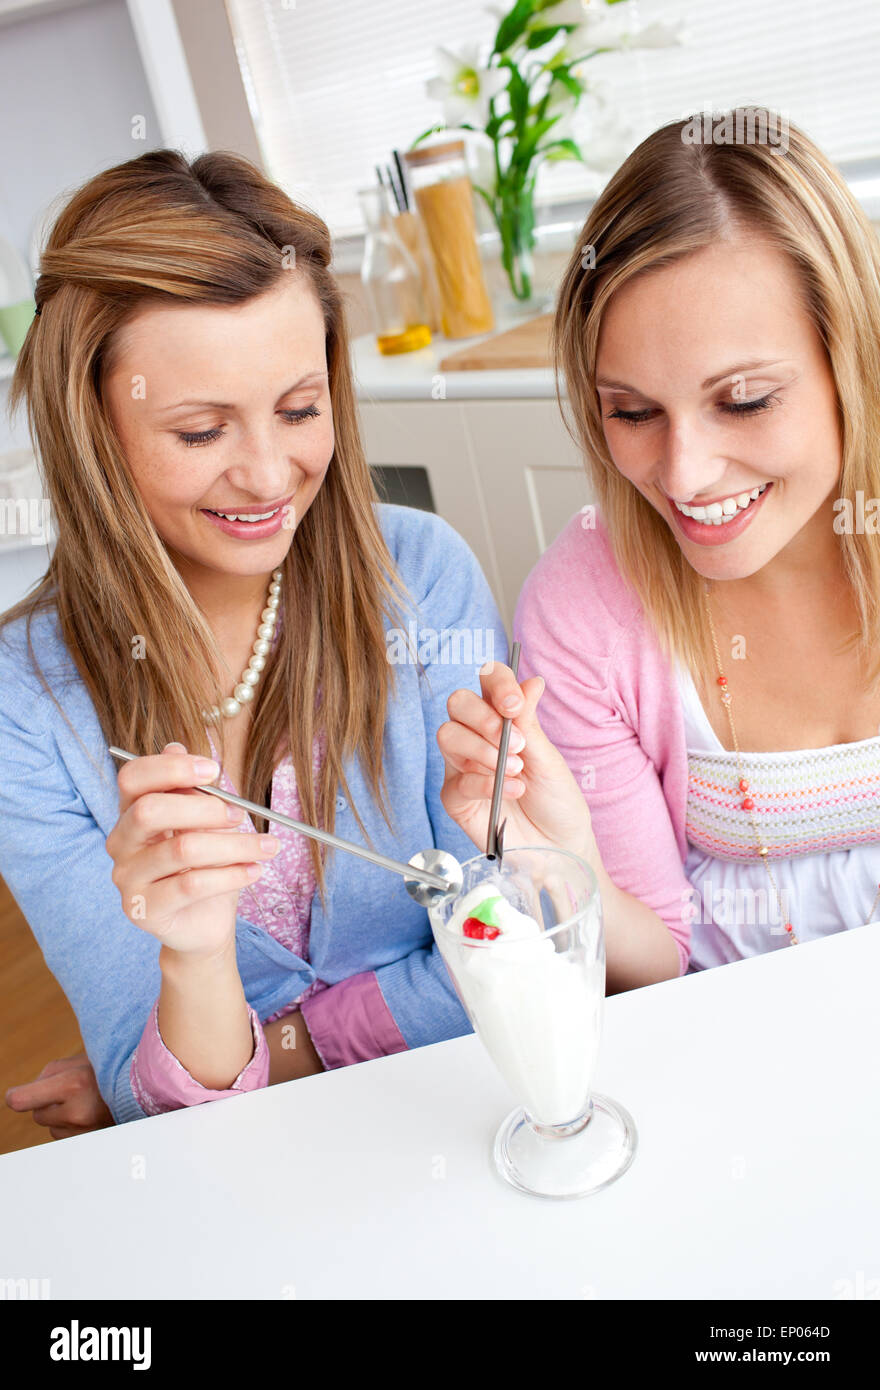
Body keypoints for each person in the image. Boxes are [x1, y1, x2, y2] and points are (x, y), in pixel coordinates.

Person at [0, 147, 514, 1135]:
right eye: (201, 432)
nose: (271, 475)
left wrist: (276, 1047)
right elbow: (145, 1093)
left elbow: (505, 938)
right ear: (90, 429)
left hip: (471, 1113)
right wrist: (192, 973)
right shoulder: (24, 704)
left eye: (299, 409)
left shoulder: (420, 577)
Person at [441, 107, 880, 974]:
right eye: (633, 412)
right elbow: (657, 967)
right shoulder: (581, 607)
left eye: (744, 400)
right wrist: (565, 861)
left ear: (853, 360)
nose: (684, 475)